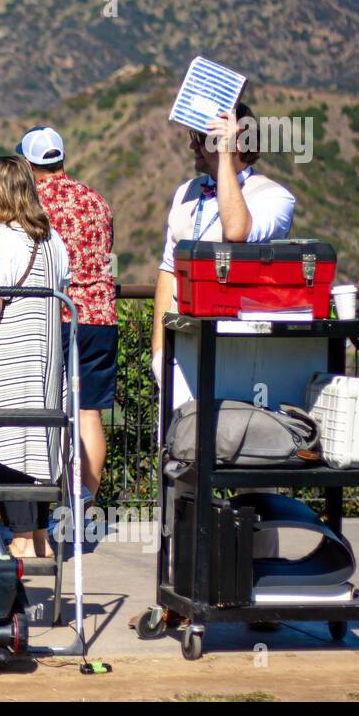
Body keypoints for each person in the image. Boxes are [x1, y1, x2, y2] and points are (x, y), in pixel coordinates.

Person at [152, 101, 296, 603]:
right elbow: (168, 270)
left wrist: (227, 162)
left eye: (201, 140)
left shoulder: (273, 196)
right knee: (181, 470)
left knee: (246, 471)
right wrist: (158, 347)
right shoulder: (186, 195)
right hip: (186, 357)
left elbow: (237, 234)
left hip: (242, 360)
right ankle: (183, 587)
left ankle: (252, 589)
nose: (192, 148)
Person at [0, 156, 70, 559]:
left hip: (9, 358)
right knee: (36, 444)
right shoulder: (51, 238)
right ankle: (38, 540)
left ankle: (23, 549)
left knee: (8, 445)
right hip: (45, 359)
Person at [22, 127, 116, 503]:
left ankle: (52, 500)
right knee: (88, 411)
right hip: (101, 316)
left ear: (29, 164)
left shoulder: (32, 204)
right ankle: (85, 501)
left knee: (51, 413)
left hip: (56, 315)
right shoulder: (96, 199)